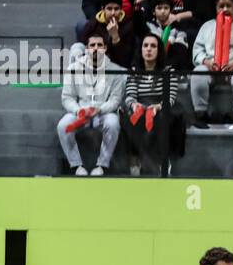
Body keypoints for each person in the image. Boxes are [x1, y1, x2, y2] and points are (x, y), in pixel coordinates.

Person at [58, 31, 125, 176]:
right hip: (80, 112)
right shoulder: (73, 69)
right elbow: (67, 97)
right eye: (92, 45)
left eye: (99, 45)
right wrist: (79, 111)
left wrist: (99, 109)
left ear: (105, 48)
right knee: (63, 126)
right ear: (86, 49)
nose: (95, 48)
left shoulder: (115, 70)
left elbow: (115, 99)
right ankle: (76, 166)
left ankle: (102, 165)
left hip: (104, 113)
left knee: (113, 123)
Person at [122, 33, 185, 176]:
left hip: (160, 106)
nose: (149, 49)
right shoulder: (133, 71)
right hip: (140, 106)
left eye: (153, 46)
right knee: (129, 118)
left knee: (163, 118)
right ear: (141, 50)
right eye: (145, 46)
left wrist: (158, 106)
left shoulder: (168, 71)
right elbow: (130, 96)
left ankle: (163, 161)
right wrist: (134, 105)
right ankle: (134, 162)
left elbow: (171, 96)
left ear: (159, 50)